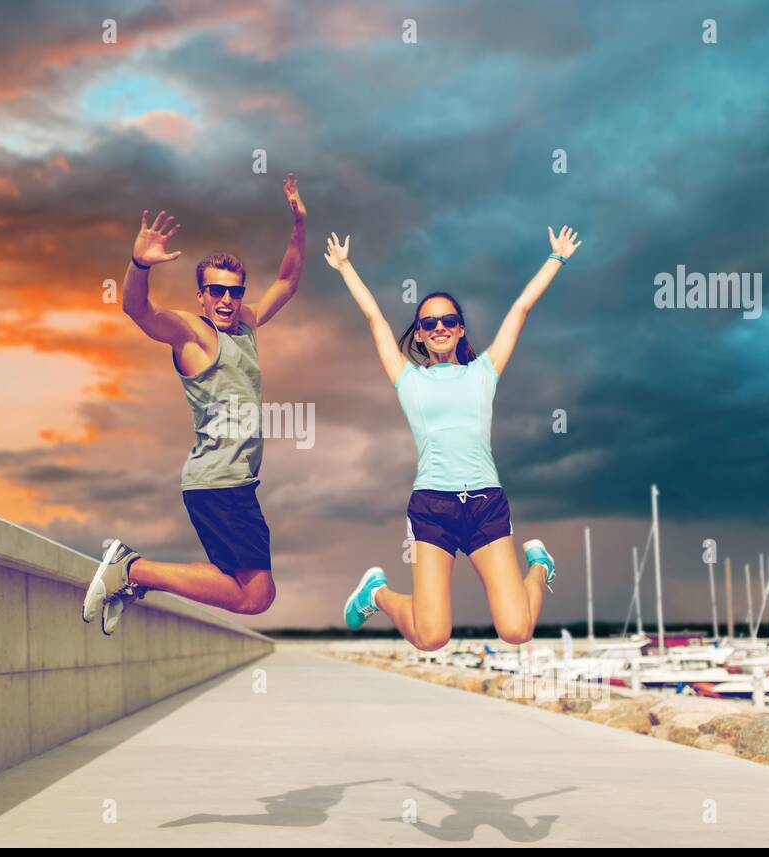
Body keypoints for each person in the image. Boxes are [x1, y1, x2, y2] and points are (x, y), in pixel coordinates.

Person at [326, 226, 583, 651]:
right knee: (431, 637)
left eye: (448, 320)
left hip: (485, 504)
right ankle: (377, 594)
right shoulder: (407, 379)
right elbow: (376, 319)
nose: (439, 326)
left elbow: (520, 309)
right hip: (433, 506)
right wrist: (346, 267)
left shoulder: (484, 371)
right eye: (429, 323)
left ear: (461, 329)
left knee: (516, 631)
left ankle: (538, 568)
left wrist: (556, 258)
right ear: (422, 335)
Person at [82, 174, 307, 634]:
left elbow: (287, 280)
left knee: (252, 593)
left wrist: (299, 223)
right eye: (217, 291)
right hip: (216, 481)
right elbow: (139, 312)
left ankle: (131, 575)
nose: (227, 300)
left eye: (235, 290)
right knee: (256, 594)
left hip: (237, 482)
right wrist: (139, 265)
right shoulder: (194, 334)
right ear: (201, 295)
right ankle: (131, 571)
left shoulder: (244, 326)